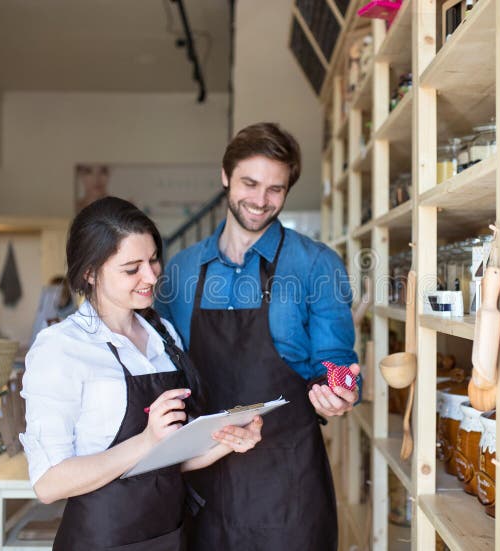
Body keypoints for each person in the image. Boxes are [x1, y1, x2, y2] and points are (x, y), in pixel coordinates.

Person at [155, 122, 359, 550]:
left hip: (289, 486)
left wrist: (341, 390)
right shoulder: (181, 270)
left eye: (276, 189)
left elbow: (336, 361)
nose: (261, 201)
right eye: (250, 183)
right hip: (203, 482)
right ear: (225, 176)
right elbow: (164, 369)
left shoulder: (316, 265)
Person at [20, 196, 263, 550]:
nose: (151, 276)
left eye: (152, 260)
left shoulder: (161, 332)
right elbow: (49, 483)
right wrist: (146, 441)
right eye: (132, 268)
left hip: (171, 534)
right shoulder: (61, 348)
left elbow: (163, 464)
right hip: (102, 540)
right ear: (90, 272)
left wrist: (227, 442)